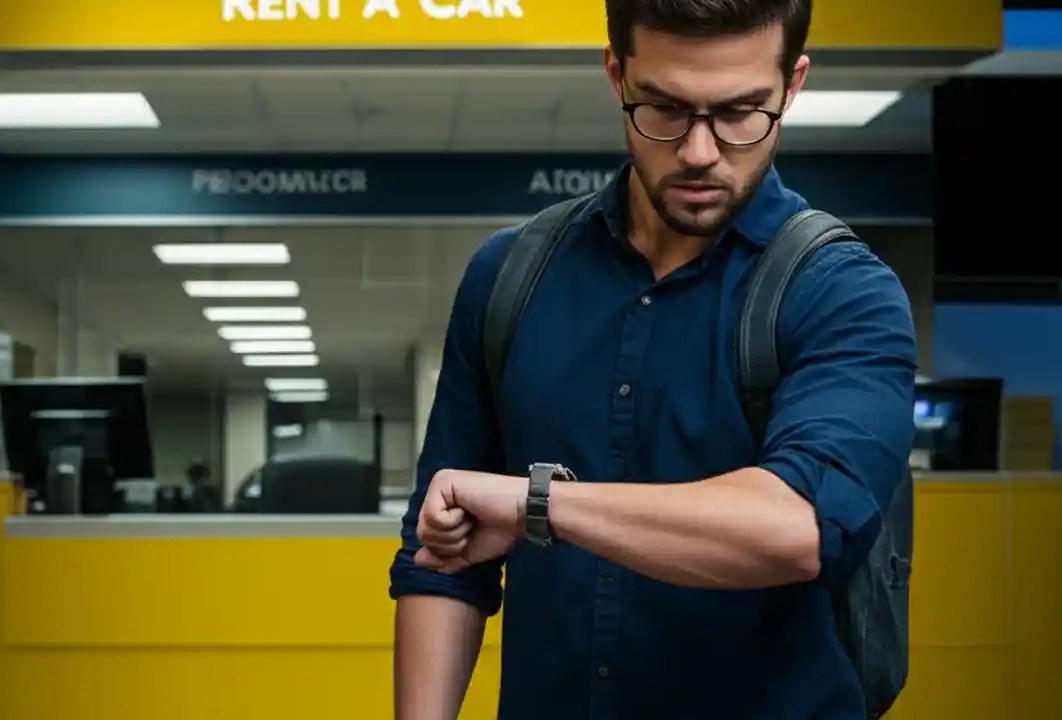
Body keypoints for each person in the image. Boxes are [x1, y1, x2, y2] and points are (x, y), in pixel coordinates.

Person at [388, 0, 918, 718]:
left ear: (792, 84)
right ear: (617, 73)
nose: (700, 152)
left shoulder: (843, 293)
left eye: (740, 112)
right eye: (664, 109)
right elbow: (441, 553)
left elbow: (797, 527)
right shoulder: (510, 275)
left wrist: (539, 503)